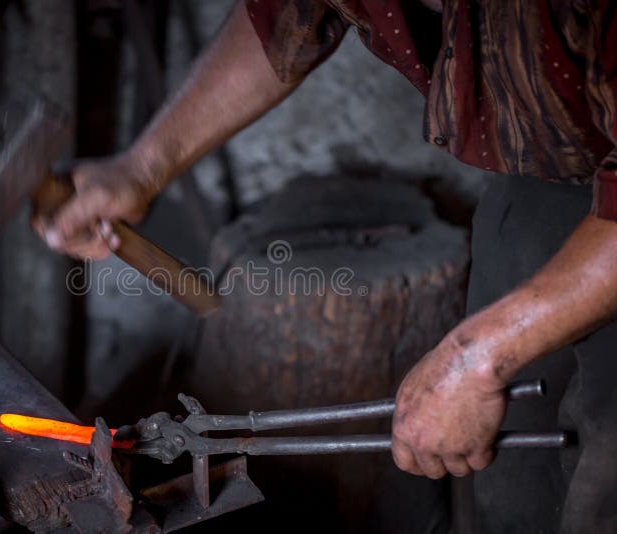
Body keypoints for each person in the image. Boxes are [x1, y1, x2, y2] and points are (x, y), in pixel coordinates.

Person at [35, 1, 616, 531]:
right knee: (517, 480)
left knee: (603, 482)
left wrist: (477, 355)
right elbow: (282, 17)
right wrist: (142, 167)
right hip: (544, 176)